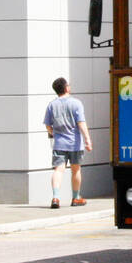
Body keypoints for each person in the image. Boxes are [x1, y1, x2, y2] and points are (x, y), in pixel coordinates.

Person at [44, 76, 92, 207]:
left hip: (59, 143)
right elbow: (81, 123)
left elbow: (48, 125)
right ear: (66, 88)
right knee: (76, 170)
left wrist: (54, 133)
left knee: (58, 170)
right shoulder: (76, 103)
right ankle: (76, 197)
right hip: (75, 144)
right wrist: (87, 140)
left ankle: (55, 197)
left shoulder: (52, 105)